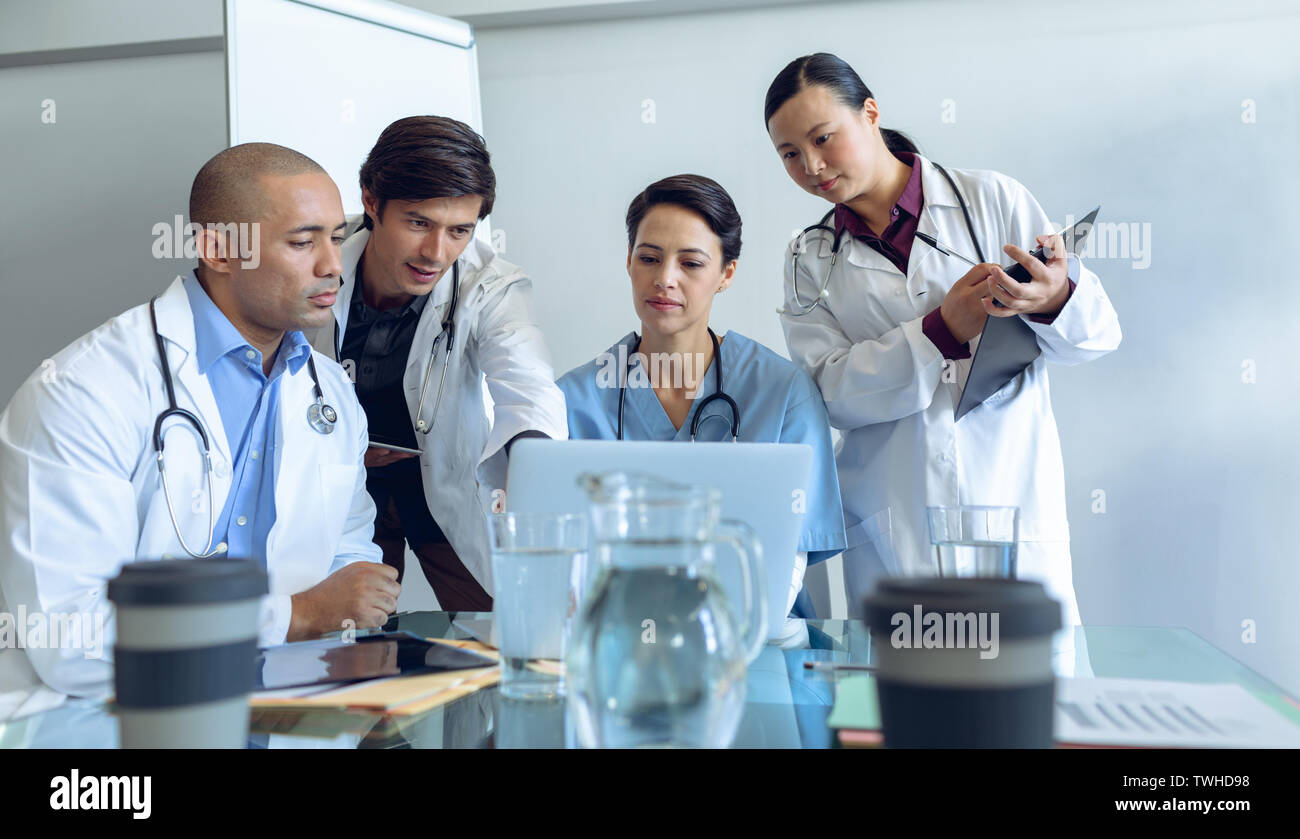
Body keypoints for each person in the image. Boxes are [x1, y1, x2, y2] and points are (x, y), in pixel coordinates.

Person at [0, 143, 397, 697]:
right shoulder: (81, 392)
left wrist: (348, 602)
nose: (333, 264)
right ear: (219, 249)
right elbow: (72, 641)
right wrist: (295, 615)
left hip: (284, 712)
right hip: (114, 731)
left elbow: (347, 552)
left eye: (337, 236)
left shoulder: (328, 390)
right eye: (303, 242)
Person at [765, 53, 1122, 628]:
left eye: (823, 138)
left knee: (1029, 708)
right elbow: (828, 395)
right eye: (789, 154)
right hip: (894, 533)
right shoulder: (809, 259)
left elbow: (1098, 335)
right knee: (902, 713)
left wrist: (1054, 297)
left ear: (871, 113)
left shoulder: (991, 201)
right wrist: (940, 331)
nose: (811, 165)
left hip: (1009, 509)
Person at [557, 174, 846, 628]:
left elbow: (784, 563)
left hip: (754, 646)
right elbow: (559, 562)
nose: (664, 279)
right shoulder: (573, 400)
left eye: (690, 263)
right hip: (615, 642)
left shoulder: (783, 393)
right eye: (648, 258)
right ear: (629, 263)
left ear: (726, 274)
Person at [307, 116, 567, 610]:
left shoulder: (491, 285)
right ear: (371, 201)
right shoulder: (315, 257)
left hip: (441, 480)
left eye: (460, 231)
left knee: (499, 627)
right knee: (346, 644)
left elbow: (529, 390)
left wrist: (537, 486)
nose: (436, 252)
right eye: (418, 223)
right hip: (340, 479)